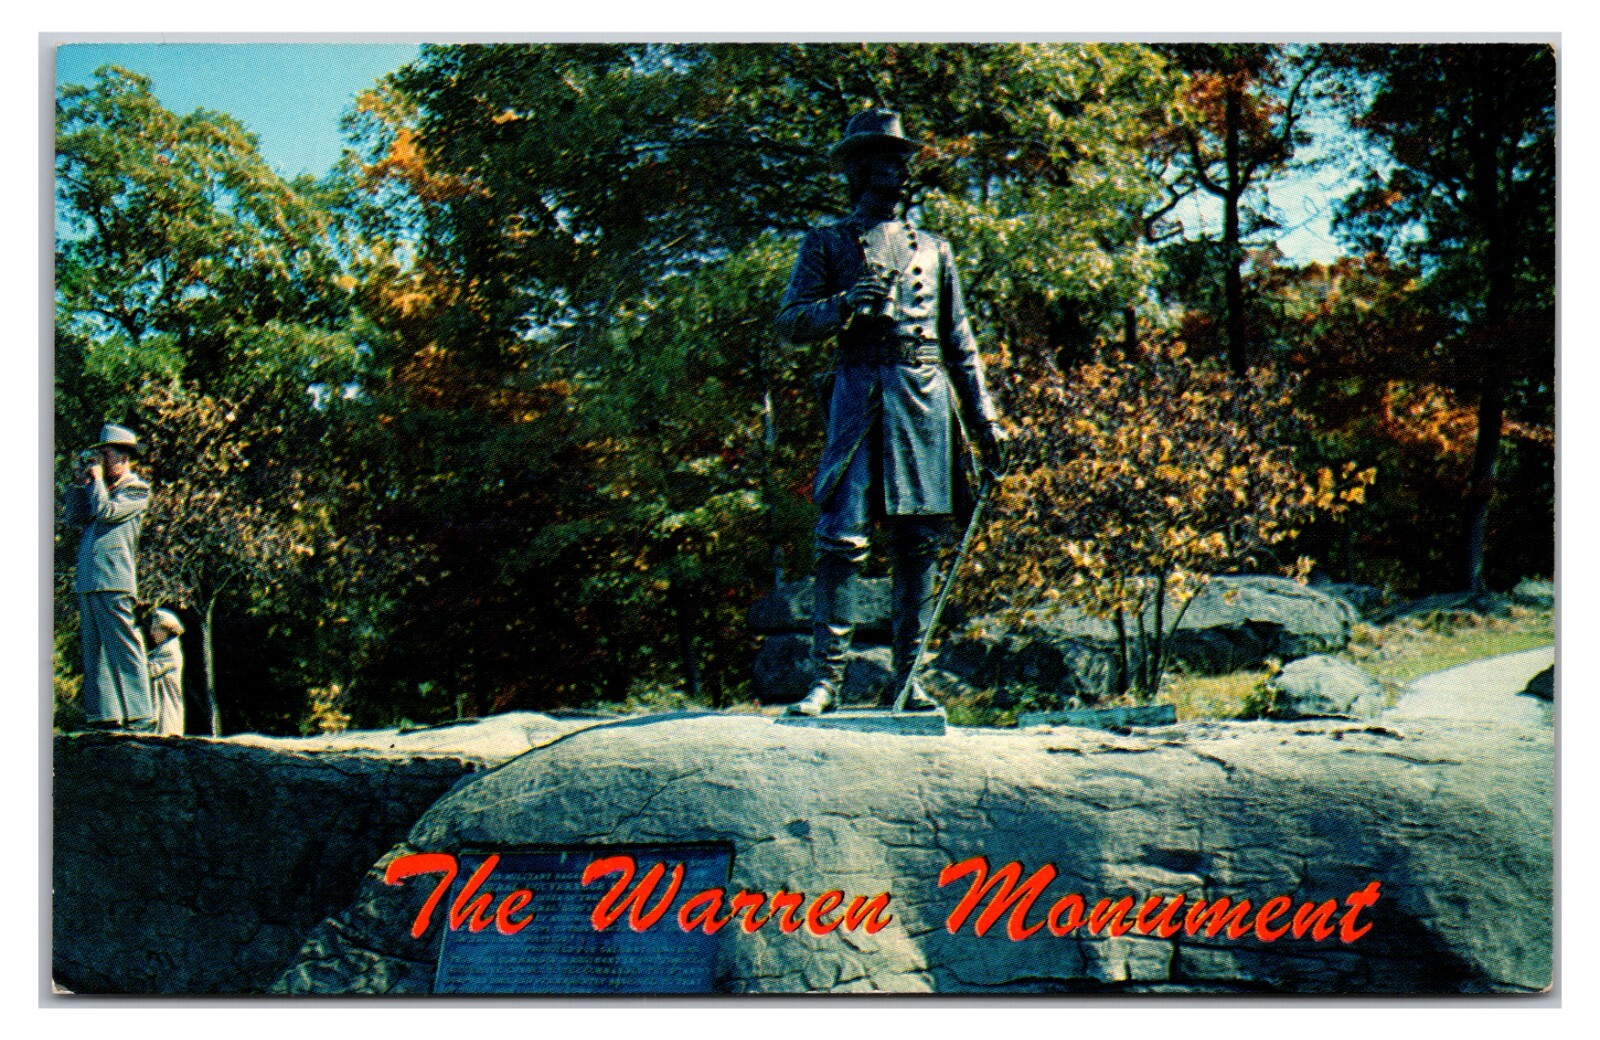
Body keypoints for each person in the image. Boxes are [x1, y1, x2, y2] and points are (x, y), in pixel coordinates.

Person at [776, 109, 1006, 716]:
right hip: (859, 395)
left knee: (917, 544)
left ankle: (912, 680)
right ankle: (827, 681)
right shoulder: (826, 242)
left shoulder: (935, 248)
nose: (898, 168)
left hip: (925, 398)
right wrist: (844, 304)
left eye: (902, 157)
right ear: (856, 168)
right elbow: (789, 323)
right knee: (840, 540)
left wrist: (986, 423)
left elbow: (960, 340)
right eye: (884, 157)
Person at [63, 423, 155, 731]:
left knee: (123, 646)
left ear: (126, 457)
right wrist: (80, 483)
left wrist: (98, 482)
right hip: (90, 578)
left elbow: (106, 512)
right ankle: (104, 715)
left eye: (108, 454)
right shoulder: (99, 487)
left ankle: (141, 713)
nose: (102, 460)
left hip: (114, 578)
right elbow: (74, 518)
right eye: (99, 454)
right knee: (95, 649)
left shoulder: (136, 488)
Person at [146, 608, 186, 737]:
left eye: (155, 628)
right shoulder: (161, 649)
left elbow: (149, 671)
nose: (151, 632)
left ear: (166, 629)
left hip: (166, 710)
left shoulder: (169, 649)